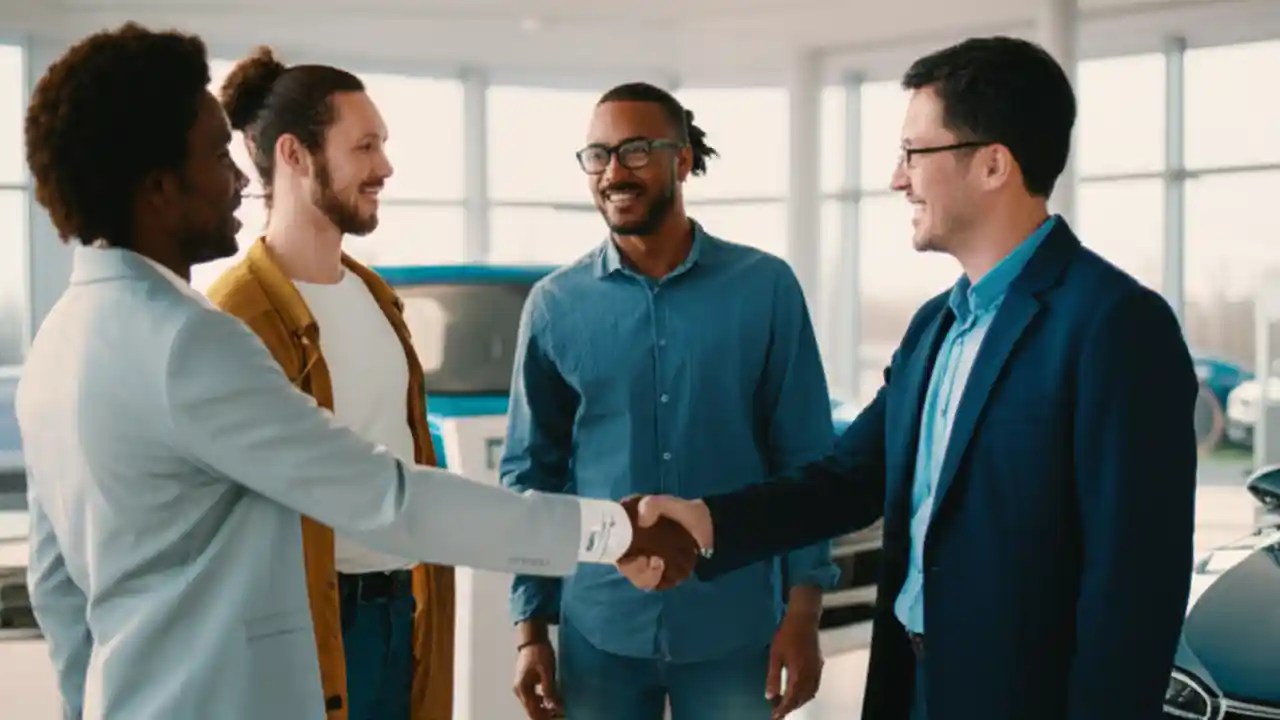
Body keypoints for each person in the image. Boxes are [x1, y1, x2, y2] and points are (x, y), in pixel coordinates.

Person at [16, 24, 692, 720]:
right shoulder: (190, 344)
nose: (240, 179)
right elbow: (386, 498)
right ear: (158, 188)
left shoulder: (60, 341)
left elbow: (59, 587)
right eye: (217, 155)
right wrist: (613, 531)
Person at [636, 36, 1199, 720]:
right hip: (913, 683)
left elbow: (1135, 589)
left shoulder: (1116, 326)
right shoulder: (937, 325)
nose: (898, 178)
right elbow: (849, 479)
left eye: (914, 153)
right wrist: (707, 520)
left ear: (993, 164)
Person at [501, 82, 838, 720]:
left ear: (681, 160)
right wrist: (530, 629)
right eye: (597, 155)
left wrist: (804, 611)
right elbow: (531, 475)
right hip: (598, 628)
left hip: (737, 627)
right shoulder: (554, 305)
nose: (613, 172)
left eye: (635, 151)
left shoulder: (764, 288)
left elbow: (806, 457)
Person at [204, 47, 450, 720]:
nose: (386, 167)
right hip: (305, 628)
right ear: (295, 155)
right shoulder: (234, 314)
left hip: (403, 607)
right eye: (364, 146)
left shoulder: (377, 298)